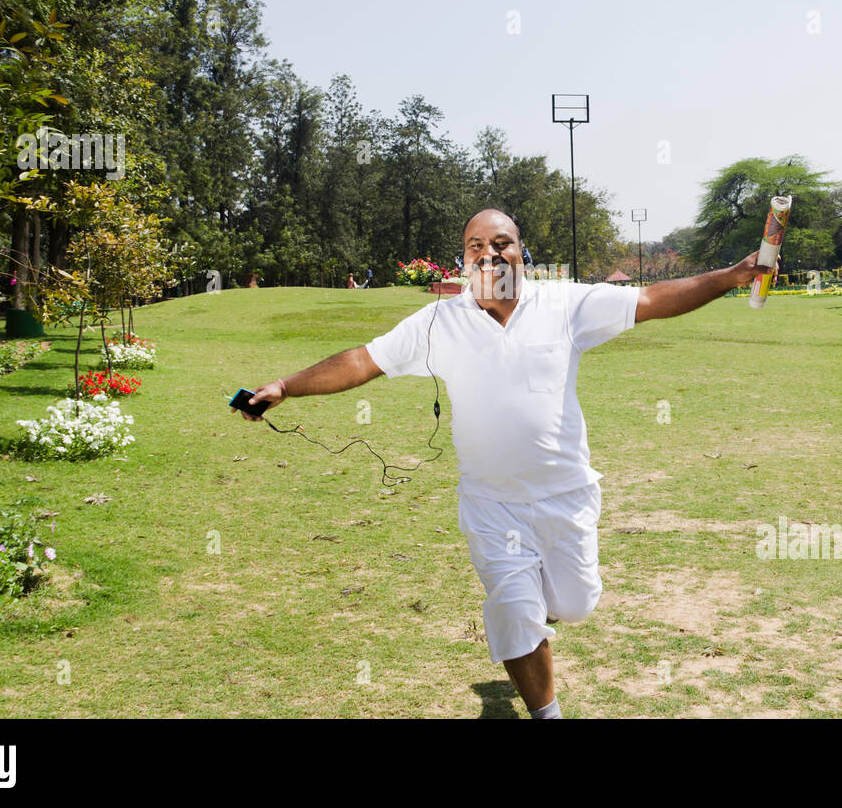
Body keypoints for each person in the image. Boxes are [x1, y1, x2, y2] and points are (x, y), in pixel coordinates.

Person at [234, 208, 775, 718]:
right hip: (493, 505)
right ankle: (546, 709)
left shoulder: (566, 306)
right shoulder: (437, 323)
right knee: (515, 608)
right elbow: (361, 360)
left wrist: (732, 275)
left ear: (523, 253)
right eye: (476, 247)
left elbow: (652, 298)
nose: (488, 254)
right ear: (463, 261)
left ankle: (543, 609)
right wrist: (286, 387)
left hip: (567, 495)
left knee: (578, 604)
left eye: (501, 244)